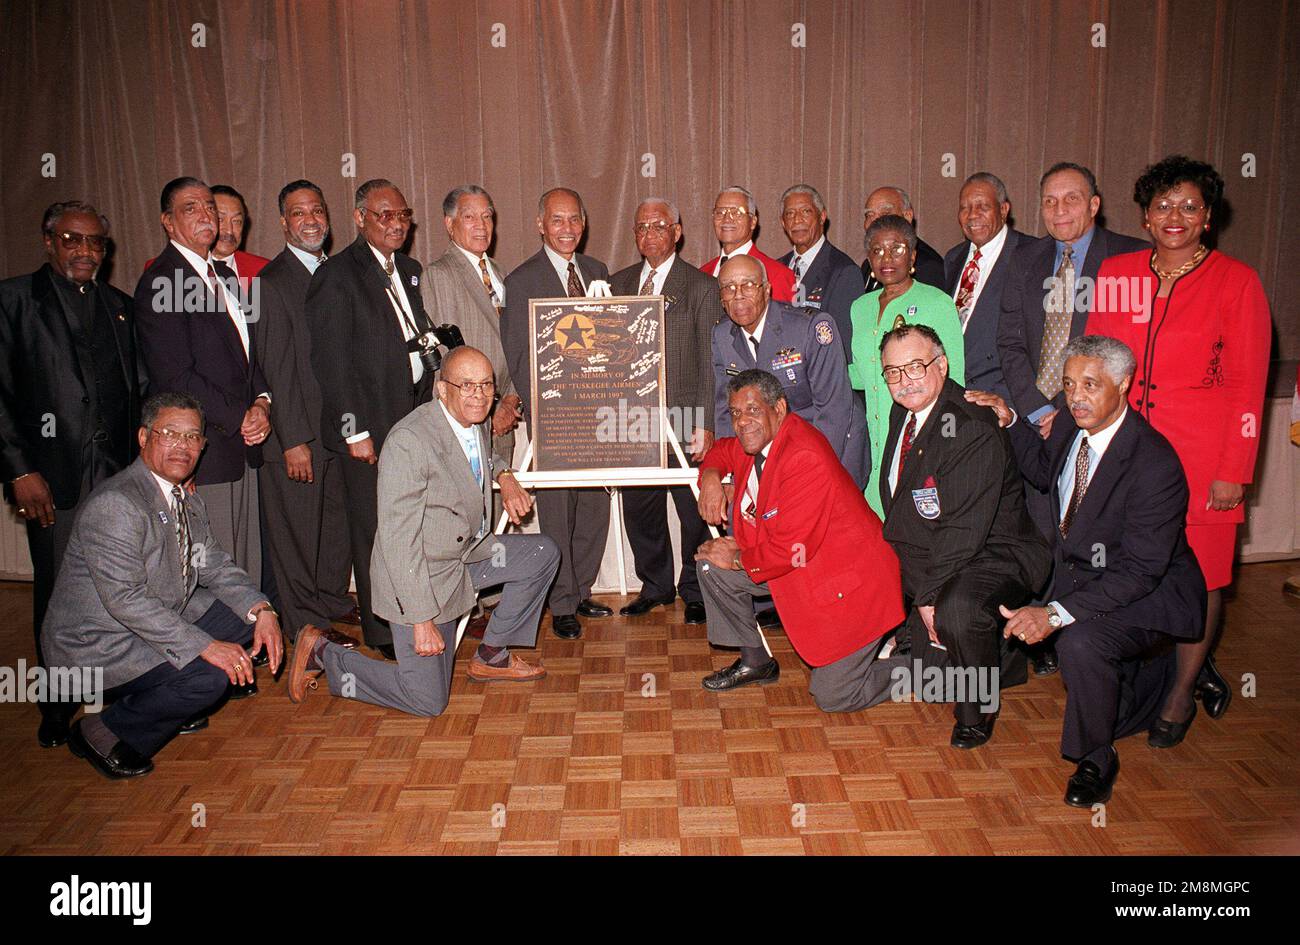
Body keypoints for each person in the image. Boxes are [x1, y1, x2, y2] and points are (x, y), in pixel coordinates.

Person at [974, 335, 1207, 806]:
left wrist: (1056, 613)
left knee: (1080, 641)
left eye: (1089, 384)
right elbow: (1042, 472)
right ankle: (1146, 685)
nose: (1075, 396)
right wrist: (1012, 420)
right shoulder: (1069, 426)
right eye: (1067, 384)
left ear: (1123, 385)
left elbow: (1141, 572)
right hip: (1087, 578)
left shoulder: (1153, 462)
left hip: (1149, 592)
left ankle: (1096, 757)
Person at [1086, 155, 1272, 738]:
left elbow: (1248, 385)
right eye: (1163, 206)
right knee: (1124, 568)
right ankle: (1132, 683)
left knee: (1203, 578)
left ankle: (1182, 693)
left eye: (1190, 206)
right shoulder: (1117, 274)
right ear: (1144, 216)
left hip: (1203, 455)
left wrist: (1233, 470)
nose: (1175, 216)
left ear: (1208, 217)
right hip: (1126, 452)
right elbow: (1095, 365)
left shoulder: (1236, 282)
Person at [289, 347, 558, 714]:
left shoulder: (472, 418)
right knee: (427, 700)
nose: (479, 395)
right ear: (442, 389)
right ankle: (324, 653)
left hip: (466, 557)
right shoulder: (409, 442)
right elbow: (397, 543)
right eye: (467, 385)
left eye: (486, 385)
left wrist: (505, 476)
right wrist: (421, 620)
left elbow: (480, 456)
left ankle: (492, 654)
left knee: (541, 554)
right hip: (421, 580)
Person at [42, 392, 284, 779]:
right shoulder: (117, 504)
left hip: (154, 615)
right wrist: (205, 646)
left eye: (192, 437)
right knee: (209, 678)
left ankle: (165, 700)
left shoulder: (183, 497)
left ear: (203, 446)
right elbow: (126, 600)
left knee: (246, 622)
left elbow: (214, 566)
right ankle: (101, 730)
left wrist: (263, 610)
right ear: (143, 437)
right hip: (98, 643)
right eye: (170, 433)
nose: (182, 446)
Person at [0, 200, 147, 747]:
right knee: (60, 591)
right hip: (50, 477)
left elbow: (139, 389)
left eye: (94, 243)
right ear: (48, 242)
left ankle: (118, 689)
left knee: (121, 586)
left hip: (116, 478)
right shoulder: (13, 301)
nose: (84, 251)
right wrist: (19, 470)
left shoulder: (120, 306)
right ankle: (58, 704)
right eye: (71, 240)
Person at [878, 325, 1051, 748]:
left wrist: (928, 598)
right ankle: (1003, 655)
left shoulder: (970, 424)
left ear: (942, 364)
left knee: (955, 612)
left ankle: (980, 706)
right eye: (893, 372)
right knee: (929, 681)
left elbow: (963, 531)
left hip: (994, 551)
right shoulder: (907, 409)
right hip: (945, 546)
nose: (905, 380)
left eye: (916, 366)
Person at [693, 369, 906, 707]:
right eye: (734, 413)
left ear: (779, 408)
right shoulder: (757, 442)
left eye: (751, 410)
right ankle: (756, 662)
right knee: (710, 567)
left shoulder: (803, 454)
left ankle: (927, 669)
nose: (742, 422)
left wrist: (735, 558)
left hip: (851, 586)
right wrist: (711, 478)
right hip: (798, 568)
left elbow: (789, 549)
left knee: (833, 695)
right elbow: (721, 450)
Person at [308, 179, 435, 659]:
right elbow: (330, 362)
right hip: (369, 426)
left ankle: (417, 612)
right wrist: (353, 431)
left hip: (413, 415)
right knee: (375, 529)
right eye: (384, 215)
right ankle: (384, 634)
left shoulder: (411, 268)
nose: (396, 224)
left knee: (410, 523)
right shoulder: (337, 276)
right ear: (360, 218)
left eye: (402, 215)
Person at [134, 177, 273, 590]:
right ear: (168, 222)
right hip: (205, 449)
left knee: (244, 562)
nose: (206, 215)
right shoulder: (163, 280)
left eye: (210, 206)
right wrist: (240, 416)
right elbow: (175, 376)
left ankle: (248, 644)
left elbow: (250, 357)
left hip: (241, 446)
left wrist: (263, 402)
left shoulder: (222, 277)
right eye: (191, 208)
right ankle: (215, 651)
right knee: (211, 569)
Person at [501, 188, 612, 639]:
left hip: (600, 414)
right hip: (554, 417)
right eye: (557, 220)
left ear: (583, 225)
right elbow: (517, 353)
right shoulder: (522, 279)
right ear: (540, 225)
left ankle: (582, 590)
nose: (567, 229)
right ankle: (561, 599)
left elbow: (615, 340)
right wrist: (541, 408)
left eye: (574, 220)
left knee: (593, 506)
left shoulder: (597, 272)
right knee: (557, 507)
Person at [253, 180, 357, 643]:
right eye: (299, 213)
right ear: (283, 223)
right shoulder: (272, 283)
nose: (311, 219)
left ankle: (331, 601)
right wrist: (293, 439)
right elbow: (275, 368)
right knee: (296, 535)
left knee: (335, 527)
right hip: (297, 438)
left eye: (317, 210)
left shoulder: (335, 273)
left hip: (338, 430)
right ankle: (304, 624)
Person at [610, 197, 723, 623]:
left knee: (691, 509)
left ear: (677, 232)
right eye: (641, 227)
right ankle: (654, 585)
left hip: (684, 419)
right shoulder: (618, 284)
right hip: (630, 420)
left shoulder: (700, 286)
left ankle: (694, 588)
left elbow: (711, 363)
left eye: (659, 226)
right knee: (640, 508)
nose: (649, 234)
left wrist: (707, 423)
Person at [996, 161, 1147, 440]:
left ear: (1094, 205)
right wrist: (1038, 410)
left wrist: (1067, 414)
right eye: (1049, 201)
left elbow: (1132, 352)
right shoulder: (1023, 259)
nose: (1059, 210)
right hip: (1033, 420)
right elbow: (1010, 342)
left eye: (1071, 199)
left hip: (1101, 423)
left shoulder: (1131, 257)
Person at [711, 255, 868, 488]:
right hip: (773, 449)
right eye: (729, 288)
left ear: (766, 290)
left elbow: (834, 410)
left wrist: (809, 469)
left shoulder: (809, 328)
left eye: (748, 285)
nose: (738, 295)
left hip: (831, 443)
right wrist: (731, 475)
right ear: (722, 299)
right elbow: (726, 411)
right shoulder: (722, 335)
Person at [848, 215, 965, 517]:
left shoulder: (936, 302)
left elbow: (955, 380)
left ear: (913, 255)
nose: (886, 258)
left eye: (897, 249)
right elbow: (862, 375)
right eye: (877, 250)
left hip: (917, 439)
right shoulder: (860, 307)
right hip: (871, 441)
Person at [423, 185, 521, 469]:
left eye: (487, 216)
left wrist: (511, 401)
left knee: (501, 508)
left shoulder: (502, 274)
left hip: (503, 420)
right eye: (469, 217)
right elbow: (448, 357)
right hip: (469, 419)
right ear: (449, 224)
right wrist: (489, 409)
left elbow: (516, 344)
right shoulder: (439, 274)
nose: (481, 225)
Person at [942, 172, 1028, 400]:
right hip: (954, 396)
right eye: (964, 208)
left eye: (982, 206)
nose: (972, 216)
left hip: (1005, 402)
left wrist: (1010, 403)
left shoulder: (1031, 256)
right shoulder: (953, 258)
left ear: (1003, 210)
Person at [775, 184, 863, 350]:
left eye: (806, 212)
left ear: (822, 216)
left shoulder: (843, 271)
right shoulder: (775, 268)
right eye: (790, 214)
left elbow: (842, 342)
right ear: (783, 222)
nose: (797, 219)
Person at [700, 186, 796, 302]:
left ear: (753, 222)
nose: (727, 219)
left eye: (736, 213)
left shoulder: (777, 275)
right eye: (720, 212)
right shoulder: (703, 273)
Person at [859, 186, 946, 292]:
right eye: (869, 215)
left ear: (907, 216)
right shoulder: (869, 263)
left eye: (885, 214)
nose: (875, 222)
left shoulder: (927, 266)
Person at [209, 184, 270, 285]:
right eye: (220, 219)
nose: (229, 230)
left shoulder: (264, 270)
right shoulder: (179, 270)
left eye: (237, 221)